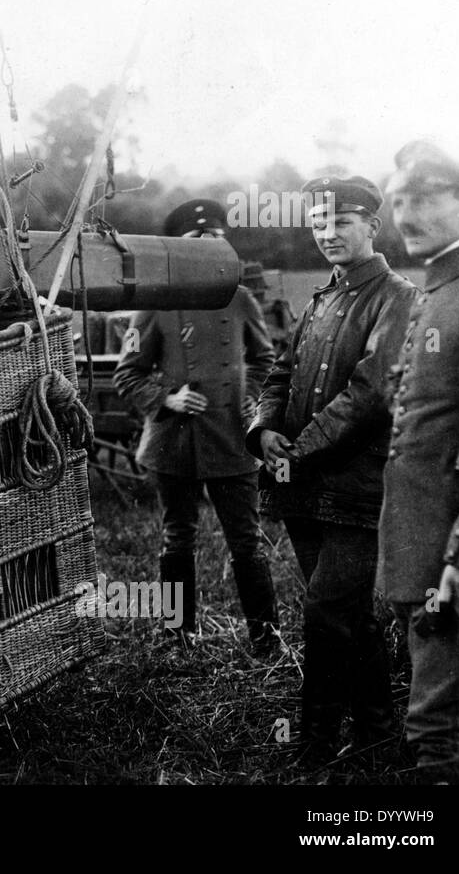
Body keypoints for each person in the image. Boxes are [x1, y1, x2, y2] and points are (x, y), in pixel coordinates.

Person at [247, 176, 417, 764]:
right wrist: (265, 428)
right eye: (319, 222)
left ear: (373, 226)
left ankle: (315, 744)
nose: (328, 234)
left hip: (357, 488)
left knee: (324, 611)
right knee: (346, 616)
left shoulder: (398, 298)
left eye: (342, 222)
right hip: (304, 484)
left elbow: (370, 395)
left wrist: (299, 450)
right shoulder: (320, 300)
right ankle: (375, 731)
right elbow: (280, 374)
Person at [114, 199, 279, 655]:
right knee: (176, 535)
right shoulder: (155, 302)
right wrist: (167, 398)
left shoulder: (241, 299)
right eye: (195, 240)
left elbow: (266, 359)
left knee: (247, 540)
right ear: (178, 249)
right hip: (174, 441)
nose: (207, 246)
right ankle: (178, 634)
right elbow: (127, 372)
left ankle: (268, 638)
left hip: (232, 437)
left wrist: (253, 400)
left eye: (215, 237)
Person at [379, 141, 459, 783]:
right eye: (397, 200)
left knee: (441, 735)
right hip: (428, 546)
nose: (404, 213)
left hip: (456, 555)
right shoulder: (442, 288)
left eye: (422, 198)